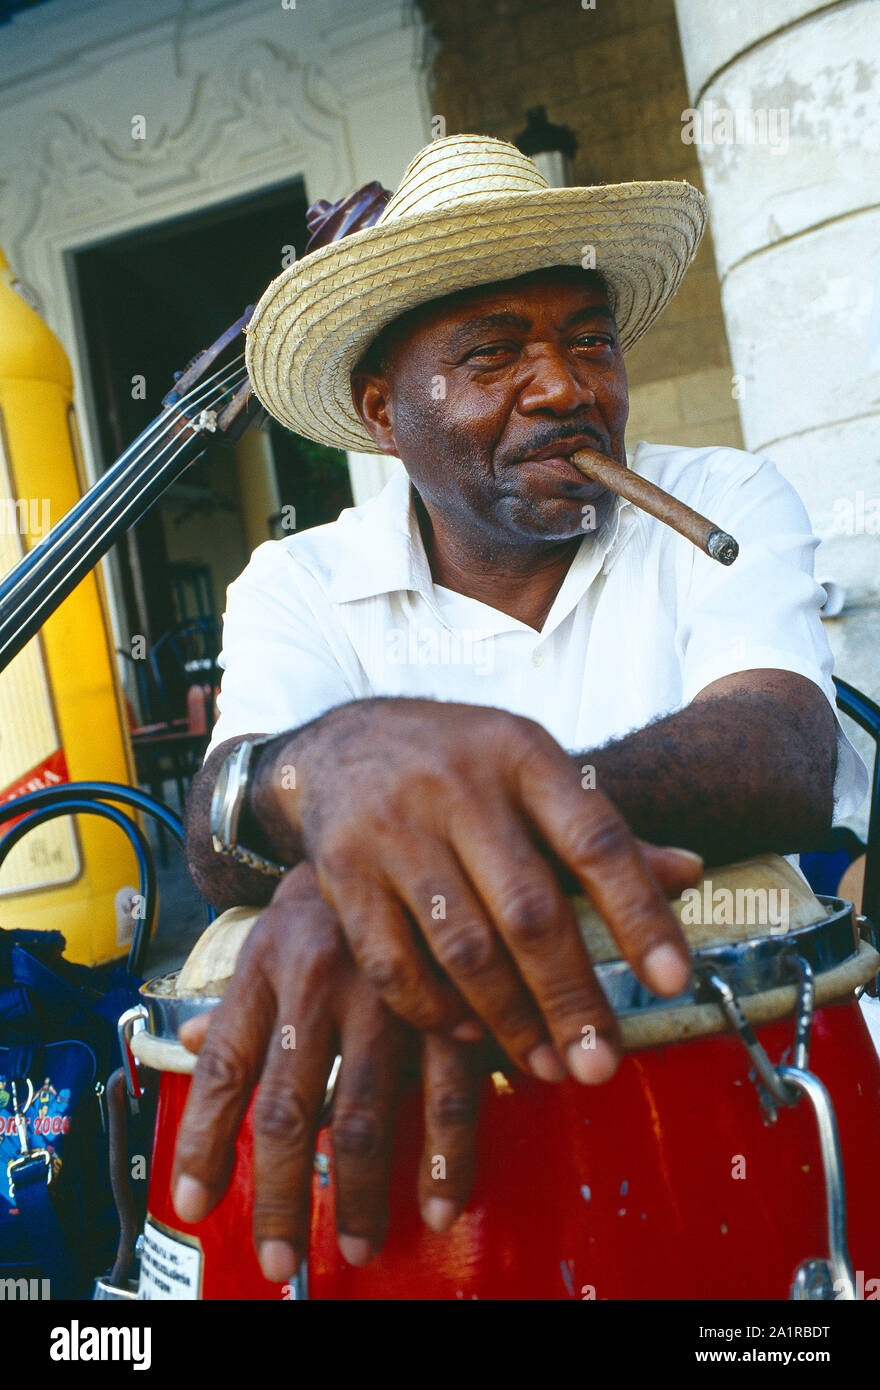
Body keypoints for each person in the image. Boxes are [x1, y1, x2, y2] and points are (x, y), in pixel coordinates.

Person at [175, 135, 866, 1285]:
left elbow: (781, 749)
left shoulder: (722, 495)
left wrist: (419, 847)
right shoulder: (297, 583)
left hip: (718, 1116)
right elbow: (225, 823)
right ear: (384, 413)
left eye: (587, 340)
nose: (564, 386)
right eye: (495, 355)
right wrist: (333, 774)